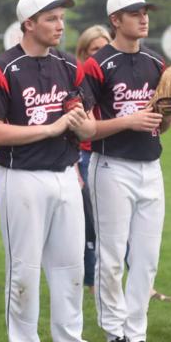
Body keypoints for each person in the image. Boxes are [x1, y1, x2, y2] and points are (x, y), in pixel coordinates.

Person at [0, 0, 99, 342]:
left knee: (71, 267)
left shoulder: (69, 67)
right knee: (24, 267)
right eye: (51, 18)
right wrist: (50, 129)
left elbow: (87, 126)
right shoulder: (3, 67)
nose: (60, 25)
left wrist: (82, 125)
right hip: (21, 177)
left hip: (65, 174)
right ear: (28, 24)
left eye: (61, 18)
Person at [83, 0, 171, 342]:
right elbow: (86, 130)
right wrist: (129, 120)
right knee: (112, 255)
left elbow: (161, 127)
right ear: (115, 20)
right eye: (134, 12)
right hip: (110, 165)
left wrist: (167, 112)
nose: (143, 17)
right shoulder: (96, 64)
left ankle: (136, 333)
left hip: (151, 165)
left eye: (145, 11)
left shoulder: (156, 64)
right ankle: (114, 335)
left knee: (148, 257)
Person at [74, 25, 111, 292]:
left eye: (103, 48)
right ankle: (91, 280)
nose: (99, 54)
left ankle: (139, 283)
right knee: (90, 222)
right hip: (85, 153)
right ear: (84, 53)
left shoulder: (114, 75)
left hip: (113, 153)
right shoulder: (77, 78)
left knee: (120, 223)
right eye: (94, 49)